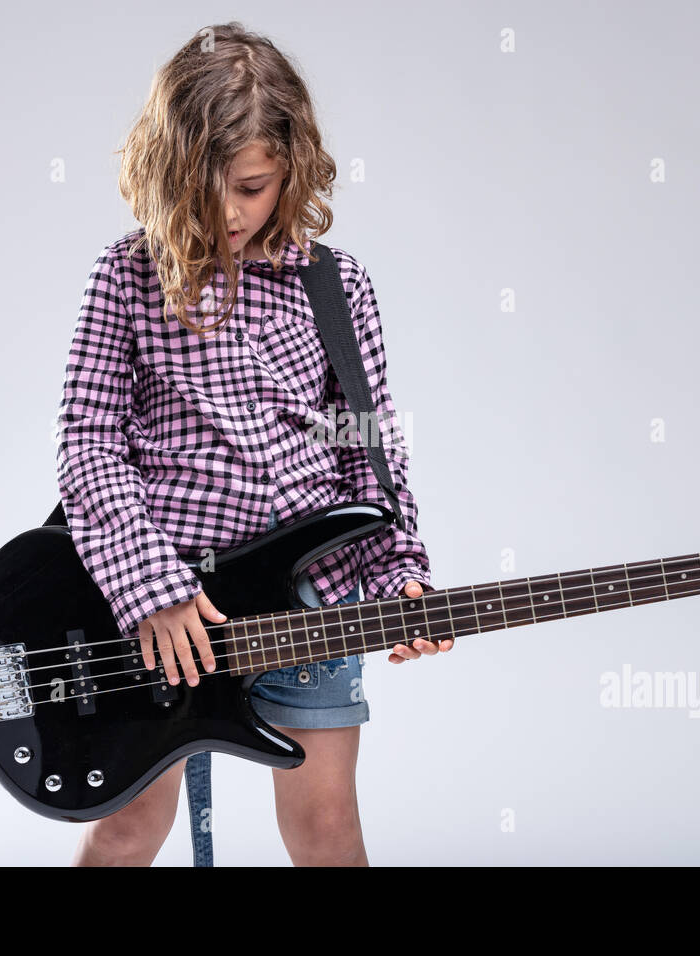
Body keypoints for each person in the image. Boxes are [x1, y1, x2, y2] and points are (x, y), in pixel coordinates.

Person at [55, 22, 453, 867]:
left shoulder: (337, 289)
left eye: (251, 186)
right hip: (167, 611)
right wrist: (149, 587)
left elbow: (368, 453)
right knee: (126, 828)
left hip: (309, 604)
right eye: (204, 189)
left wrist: (397, 572)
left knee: (326, 829)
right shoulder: (125, 277)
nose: (226, 212)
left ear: (290, 171)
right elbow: (88, 446)